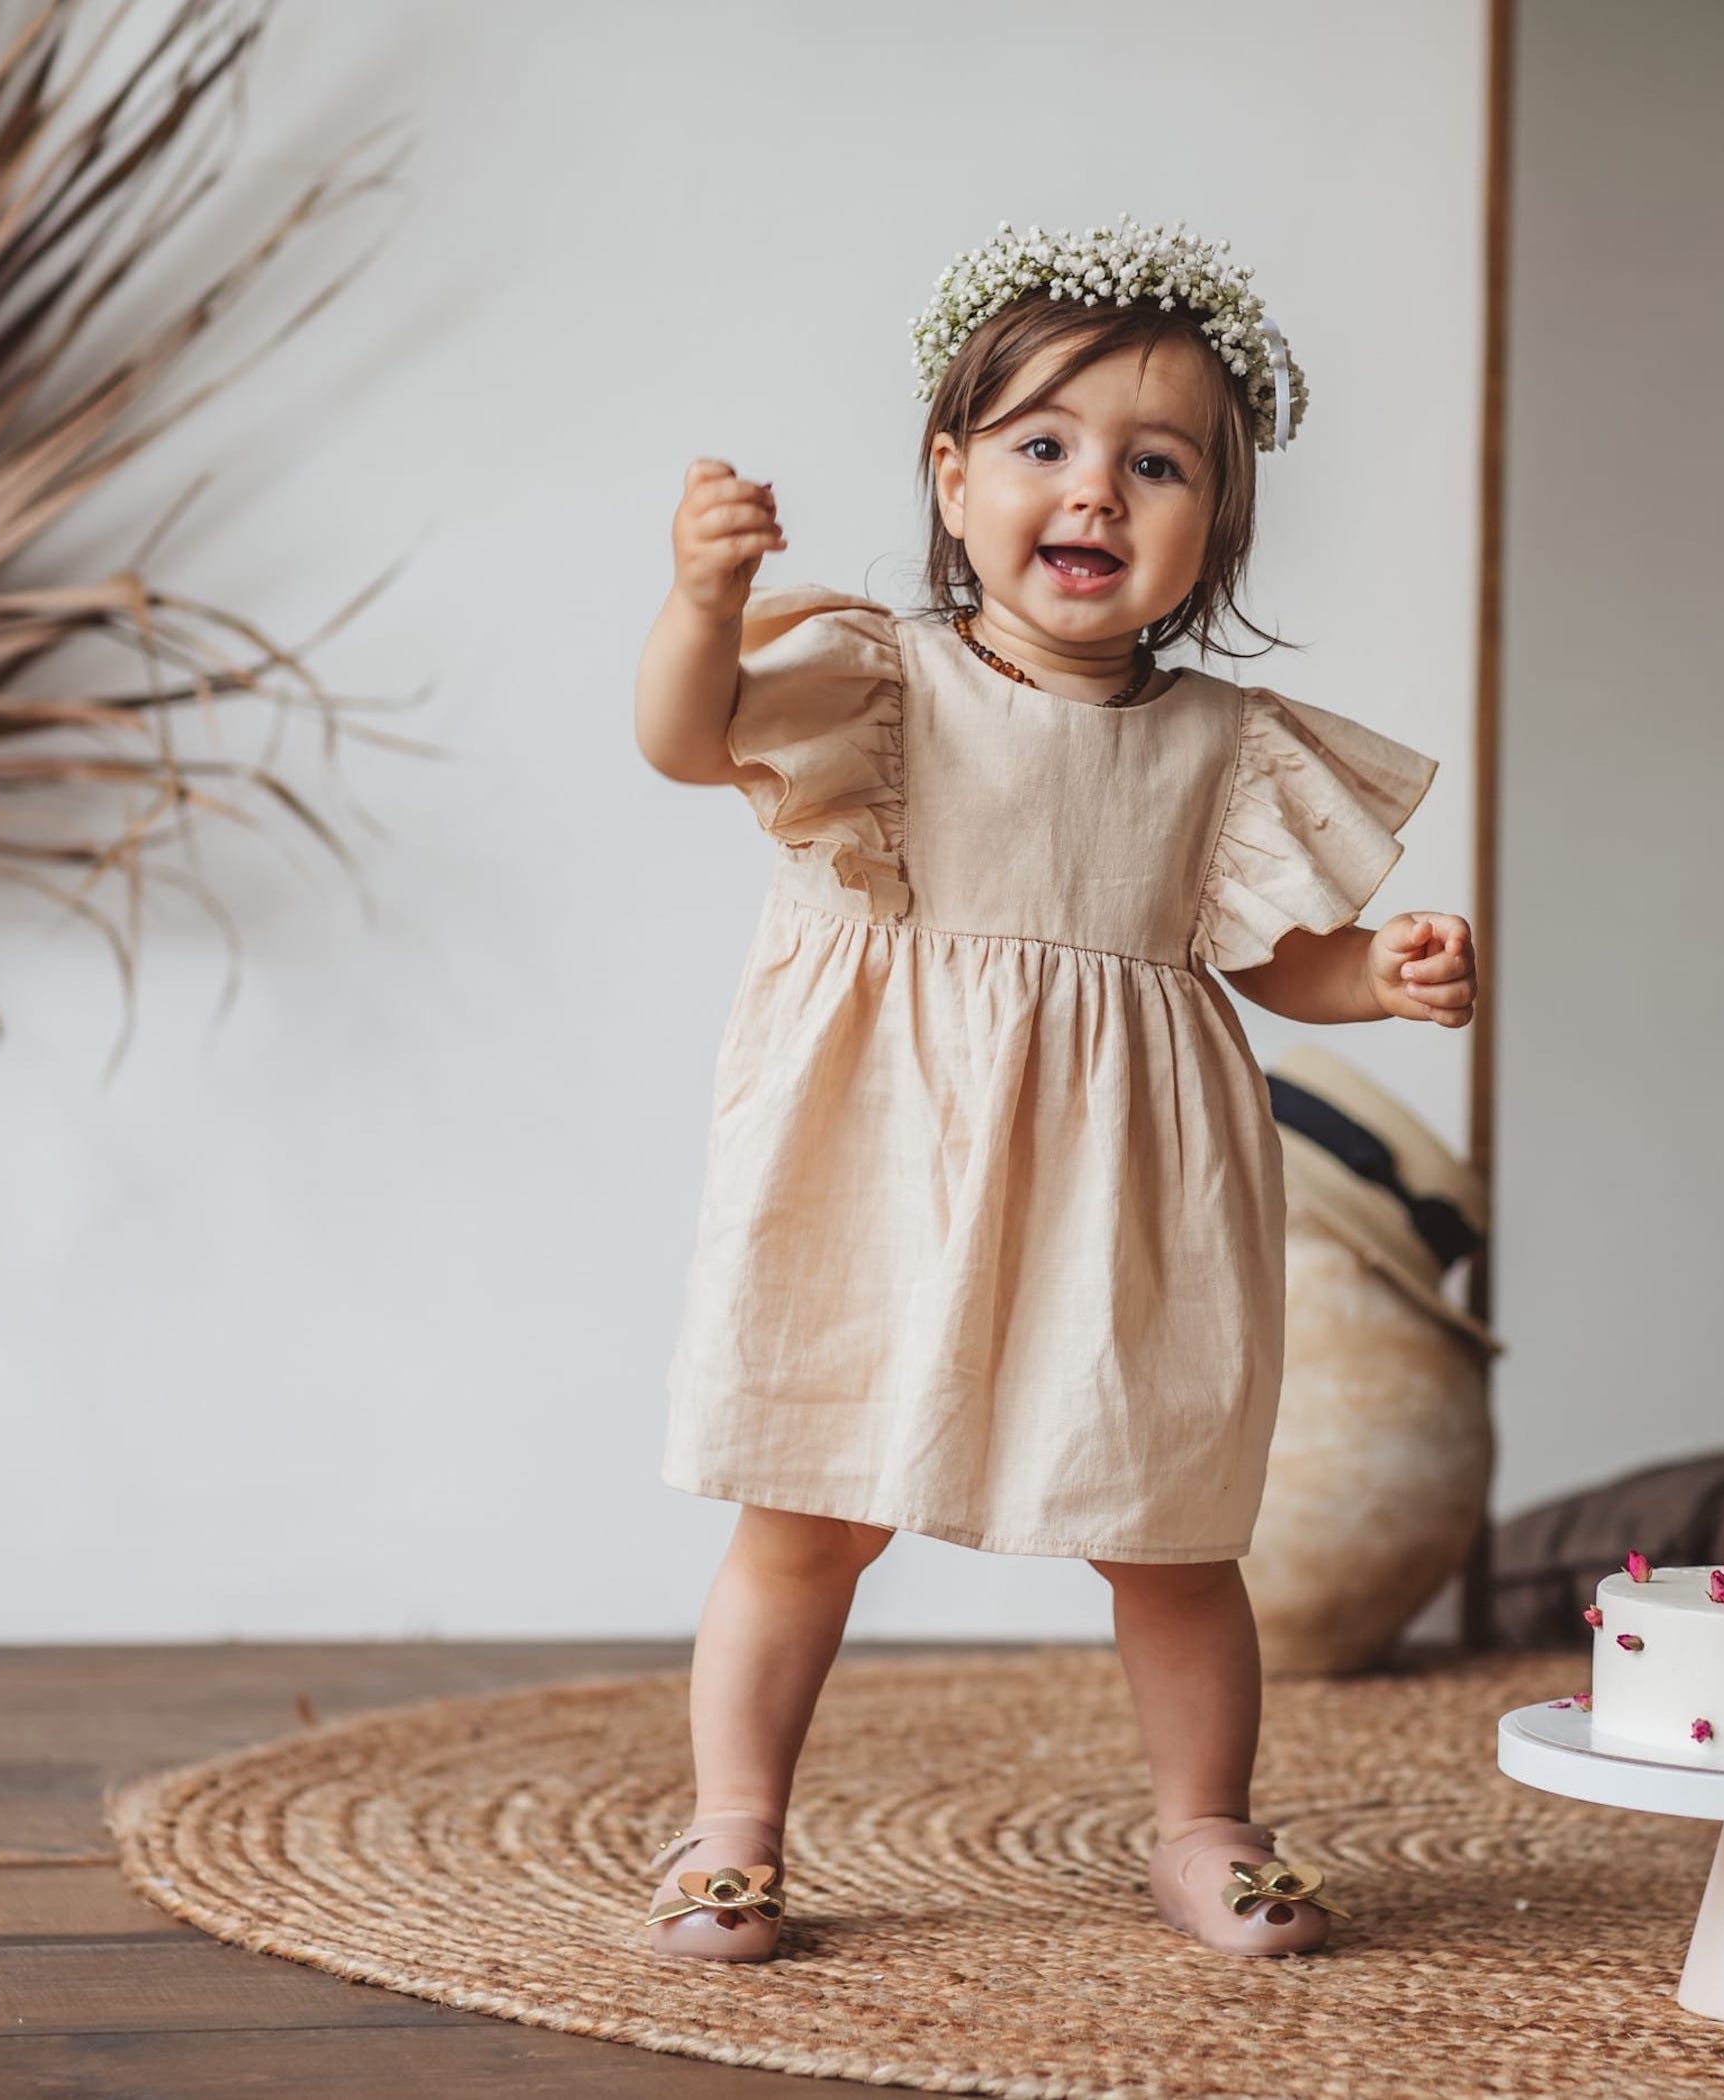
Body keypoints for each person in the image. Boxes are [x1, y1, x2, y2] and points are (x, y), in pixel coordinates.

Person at [629, 218, 1477, 1962]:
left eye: (1152, 464)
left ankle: (1206, 1822)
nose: (1092, 491)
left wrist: (1376, 974)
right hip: (875, 1159)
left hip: (1127, 1193)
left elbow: (1269, 959)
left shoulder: (1224, 749)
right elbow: (687, 736)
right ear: (953, 481)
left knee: (1168, 1534)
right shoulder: (881, 684)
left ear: (1211, 527)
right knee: (806, 1514)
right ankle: (734, 1826)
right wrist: (702, 601)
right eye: (1042, 447)